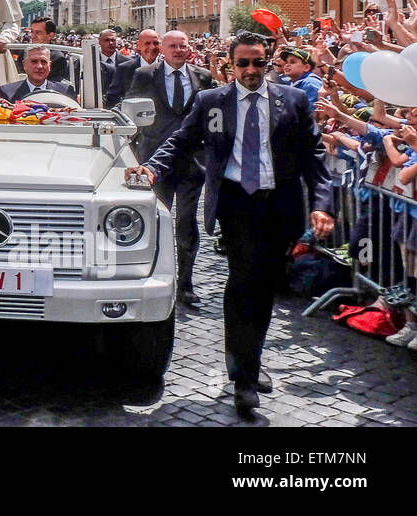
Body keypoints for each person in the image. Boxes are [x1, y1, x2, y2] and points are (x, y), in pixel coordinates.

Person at [126, 31, 335, 419]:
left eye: (258, 62)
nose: (251, 70)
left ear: (267, 61)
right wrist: (152, 168)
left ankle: (248, 356)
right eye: (243, 63)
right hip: (237, 203)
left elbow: (315, 157)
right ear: (230, 64)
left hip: (281, 204)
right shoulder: (212, 101)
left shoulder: (293, 100)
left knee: (265, 285)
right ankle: (243, 379)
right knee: (243, 281)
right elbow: (181, 139)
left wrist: (322, 205)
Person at [124, 30, 216, 306]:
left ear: (189, 48)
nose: (178, 50)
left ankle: (186, 283)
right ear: (162, 49)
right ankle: (149, 277)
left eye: (182, 46)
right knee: (154, 221)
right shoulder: (145, 75)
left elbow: (208, 115)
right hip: (155, 161)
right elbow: (131, 110)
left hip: (191, 160)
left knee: (186, 222)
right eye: (172, 46)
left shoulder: (202, 76)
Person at [106, 28, 162, 108]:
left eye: (155, 43)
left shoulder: (166, 67)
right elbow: (113, 96)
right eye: (147, 43)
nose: (152, 47)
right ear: (138, 45)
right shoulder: (124, 69)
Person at [0, 47, 76, 102]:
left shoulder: (65, 91)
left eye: (44, 62)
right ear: (25, 65)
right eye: (34, 61)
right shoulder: (7, 92)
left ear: (49, 65)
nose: (39, 66)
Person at [28, 17, 73, 85]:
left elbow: (54, 85)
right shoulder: (24, 54)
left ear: (50, 35)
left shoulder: (58, 58)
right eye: (32, 32)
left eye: (38, 33)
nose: (32, 36)